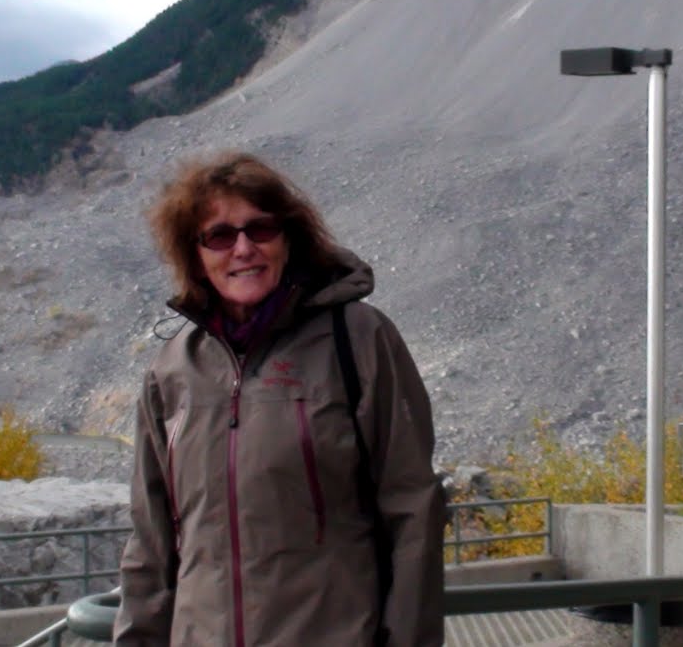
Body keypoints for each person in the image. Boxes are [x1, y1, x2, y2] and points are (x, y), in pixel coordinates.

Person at [114, 151, 445, 646]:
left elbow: (413, 511)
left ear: (289, 239)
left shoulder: (357, 339)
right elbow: (151, 542)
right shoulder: (171, 371)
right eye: (220, 235)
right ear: (197, 256)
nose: (243, 248)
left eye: (260, 229)